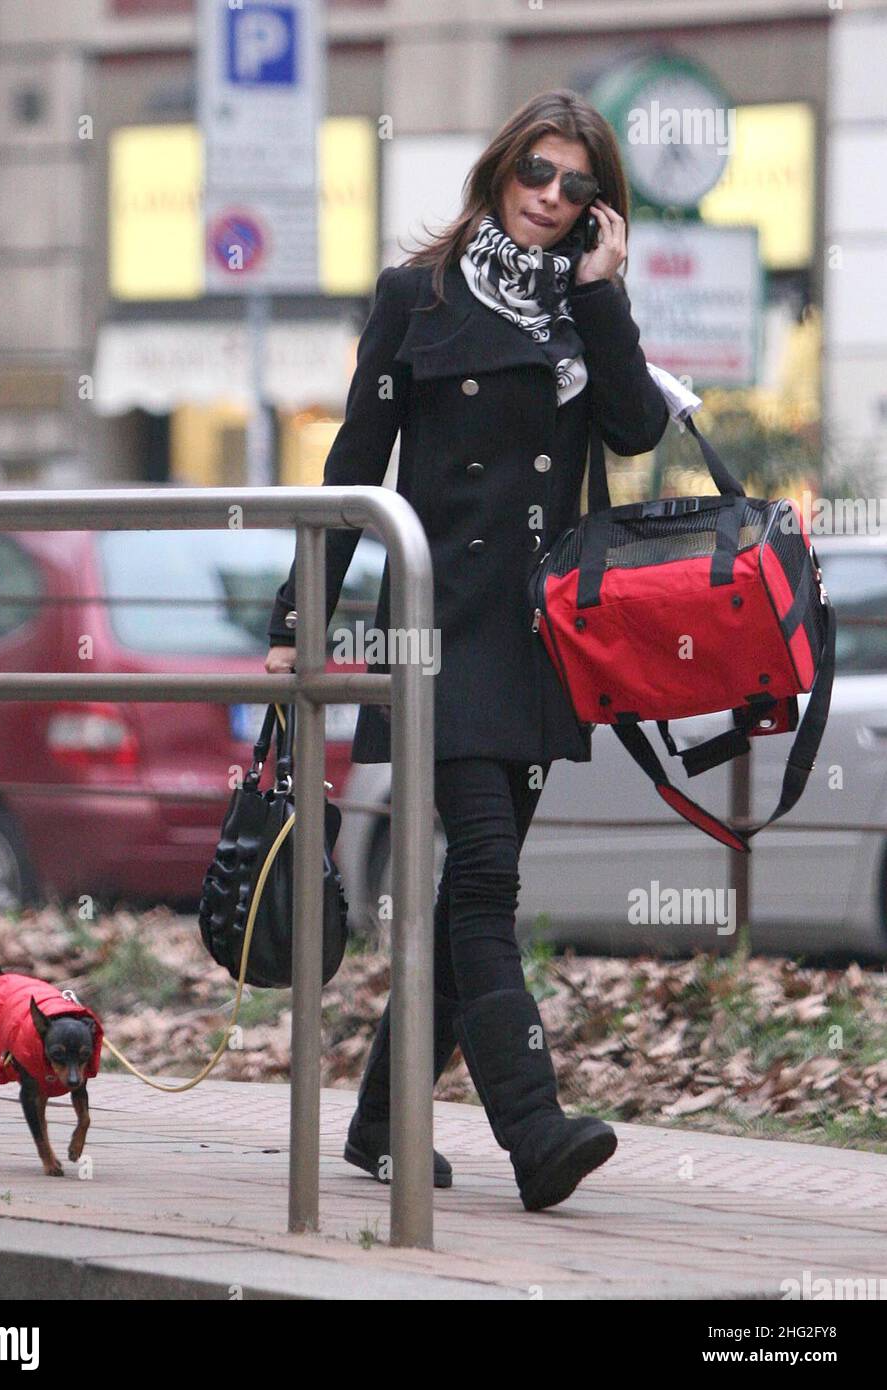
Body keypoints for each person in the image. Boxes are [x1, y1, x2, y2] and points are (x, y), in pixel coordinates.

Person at [265, 89, 669, 1211]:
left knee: (463, 897)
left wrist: (604, 298)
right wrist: (296, 618)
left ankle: (383, 1119)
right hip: (435, 625)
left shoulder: (586, 312)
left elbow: (634, 430)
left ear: (600, 208)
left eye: (577, 186)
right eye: (536, 173)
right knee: (486, 873)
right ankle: (535, 1128)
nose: (551, 198)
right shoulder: (417, 299)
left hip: (543, 641)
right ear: (499, 173)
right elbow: (355, 470)